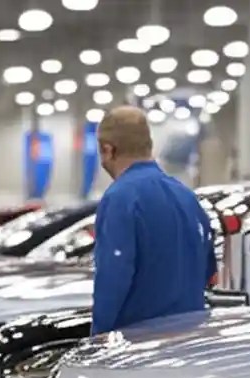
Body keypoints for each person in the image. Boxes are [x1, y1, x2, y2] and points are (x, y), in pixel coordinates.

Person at [91, 106, 216, 334]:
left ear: (108, 150)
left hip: (139, 346)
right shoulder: (187, 196)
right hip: (190, 342)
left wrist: (97, 339)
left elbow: (113, 279)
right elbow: (209, 271)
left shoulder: (120, 198)